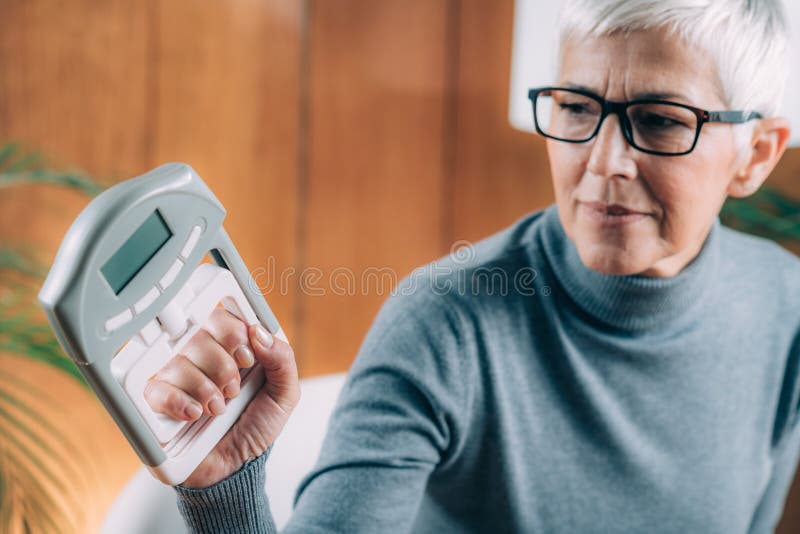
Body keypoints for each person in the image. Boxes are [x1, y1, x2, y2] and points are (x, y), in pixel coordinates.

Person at [148, 0, 799, 531]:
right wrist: (225, 492)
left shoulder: (786, 306)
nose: (603, 164)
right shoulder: (447, 323)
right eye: (576, 108)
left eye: (658, 121)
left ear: (756, 155)